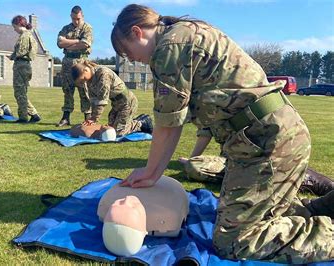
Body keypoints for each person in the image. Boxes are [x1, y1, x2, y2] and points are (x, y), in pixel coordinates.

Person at [112, 4, 333, 263]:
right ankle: (324, 208)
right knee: (252, 212)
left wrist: (150, 173)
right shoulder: (187, 32)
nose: (131, 59)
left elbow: (169, 123)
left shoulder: (168, 48)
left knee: (235, 241)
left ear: (137, 32)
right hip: (268, 137)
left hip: (266, 144)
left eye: (127, 52)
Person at [179, 132, 334, 196]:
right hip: (235, 159)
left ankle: (305, 177)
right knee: (194, 167)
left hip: (259, 154)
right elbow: (206, 132)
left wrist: (191, 160)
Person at [71, 60, 153, 136]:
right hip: (116, 105)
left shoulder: (103, 73)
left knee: (118, 132)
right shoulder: (89, 80)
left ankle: (142, 122)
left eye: (83, 79)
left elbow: (102, 99)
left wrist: (94, 118)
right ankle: (131, 121)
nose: (84, 82)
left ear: (85, 70)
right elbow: (93, 100)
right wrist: (91, 117)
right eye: (82, 82)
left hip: (127, 103)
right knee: (110, 129)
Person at [56, 5, 93, 127]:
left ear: (82, 16)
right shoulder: (66, 28)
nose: (75, 21)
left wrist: (69, 44)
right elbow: (60, 43)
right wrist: (77, 41)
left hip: (81, 63)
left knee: (84, 91)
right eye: (73, 18)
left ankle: (88, 118)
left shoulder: (87, 28)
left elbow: (85, 44)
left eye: (78, 18)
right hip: (67, 63)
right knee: (67, 90)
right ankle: (66, 118)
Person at [7, 15, 41, 123]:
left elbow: (21, 52)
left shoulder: (24, 36)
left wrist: (13, 56)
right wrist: (13, 56)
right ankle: (28, 115)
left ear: (18, 24)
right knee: (21, 92)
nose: (14, 29)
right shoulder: (28, 35)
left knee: (19, 92)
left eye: (14, 26)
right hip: (24, 65)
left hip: (21, 66)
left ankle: (28, 116)